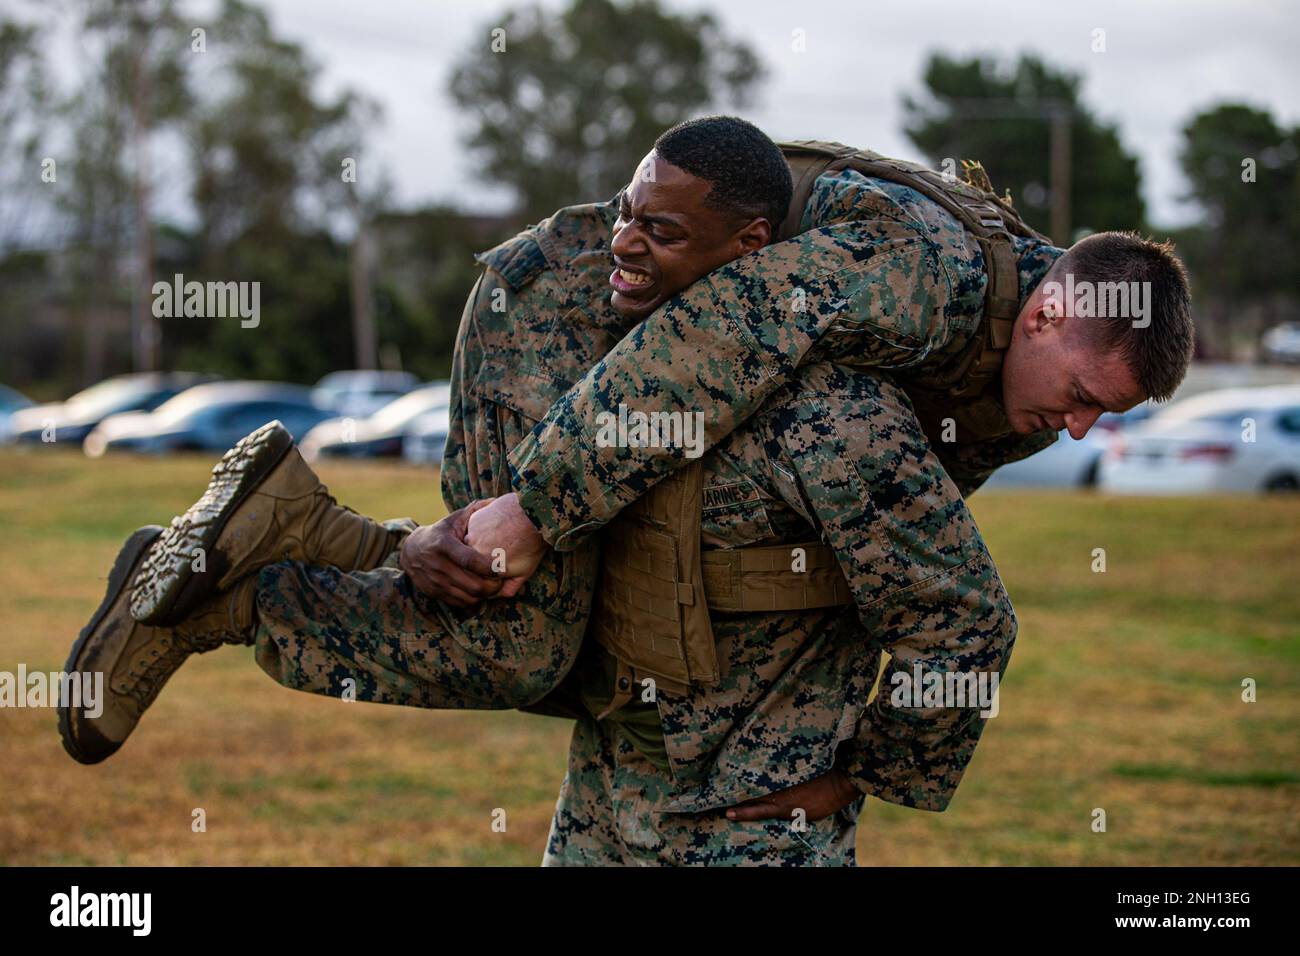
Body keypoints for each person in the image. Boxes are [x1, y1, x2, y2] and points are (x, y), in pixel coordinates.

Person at [60, 117, 1194, 865]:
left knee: (549, 618)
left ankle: (301, 532)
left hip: (646, 345)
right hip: (558, 319)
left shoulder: (1027, 339)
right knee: (516, 633)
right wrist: (539, 507)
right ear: (1046, 311)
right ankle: (238, 593)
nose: (1082, 429)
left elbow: (894, 536)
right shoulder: (918, 277)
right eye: (1085, 395)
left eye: (1110, 417)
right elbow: (714, 341)